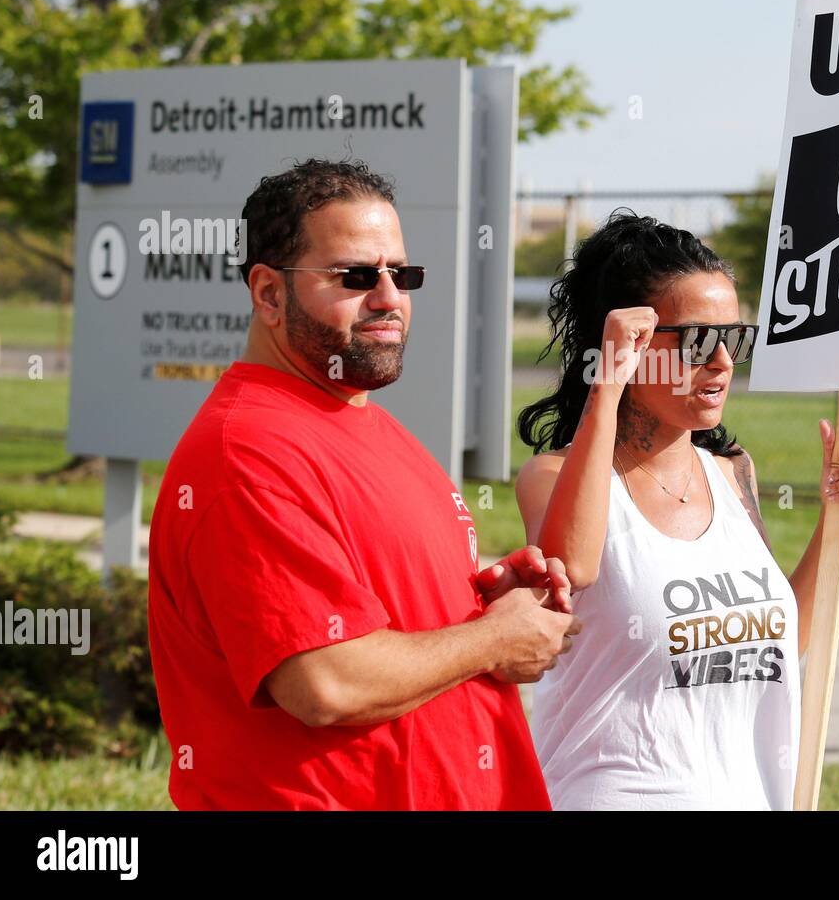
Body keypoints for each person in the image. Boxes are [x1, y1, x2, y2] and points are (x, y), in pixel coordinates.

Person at [147, 158, 579, 810]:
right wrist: (494, 638)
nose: (388, 297)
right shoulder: (248, 451)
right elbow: (325, 680)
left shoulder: (370, 425)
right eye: (355, 276)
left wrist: (483, 602)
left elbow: (387, 620)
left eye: (402, 274)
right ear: (268, 293)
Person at [514, 211, 839, 809]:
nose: (723, 363)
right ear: (625, 346)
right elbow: (569, 568)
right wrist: (606, 383)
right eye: (698, 342)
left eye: (734, 339)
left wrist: (837, 519)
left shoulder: (733, 471)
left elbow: (780, 645)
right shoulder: (552, 477)